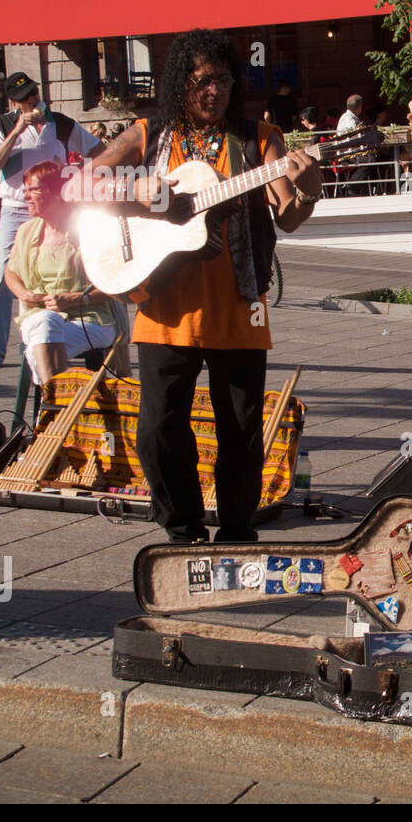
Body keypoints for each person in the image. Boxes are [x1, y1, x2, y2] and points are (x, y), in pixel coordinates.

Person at [67, 28, 323, 544]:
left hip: (239, 307)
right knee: (160, 428)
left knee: (241, 431)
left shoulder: (257, 139)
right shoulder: (150, 134)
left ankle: (235, 532)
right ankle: (182, 531)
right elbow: (79, 184)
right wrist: (141, 196)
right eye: (204, 81)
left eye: (224, 80)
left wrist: (310, 190)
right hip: (163, 304)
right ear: (182, 83)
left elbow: (289, 216)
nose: (215, 92)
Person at [0, 72, 103, 368]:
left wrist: (82, 177)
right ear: (13, 103)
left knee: (70, 268)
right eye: (24, 98)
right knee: (3, 276)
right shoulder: (3, 125)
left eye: (33, 94)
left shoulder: (59, 123)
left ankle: (69, 333)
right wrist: (18, 130)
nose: (32, 101)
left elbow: (98, 150)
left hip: (55, 208)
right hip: (16, 207)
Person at [3, 161, 117, 384]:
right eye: (24, 190)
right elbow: (10, 272)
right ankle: (59, 401)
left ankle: (51, 401)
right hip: (37, 317)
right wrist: (25, 295)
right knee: (45, 322)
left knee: (39, 345)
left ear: (57, 192)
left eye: (33, 189)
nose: (26, 196)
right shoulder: (27, 231)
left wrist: (74, 299)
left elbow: (115, 284)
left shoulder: (90, 229)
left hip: (91, 318)